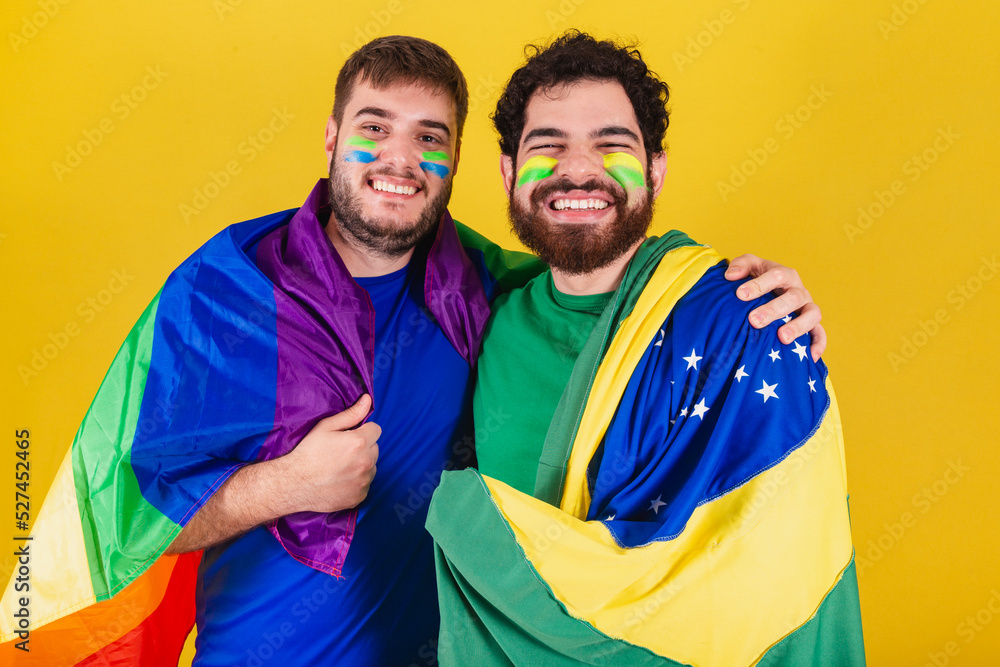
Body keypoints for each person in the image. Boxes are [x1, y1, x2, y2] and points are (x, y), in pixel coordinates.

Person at [0, 36, 825, 667]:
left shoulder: (481, 287)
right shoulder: (226, 295)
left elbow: (598, 276)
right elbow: (117, 517)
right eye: (374, 128)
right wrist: (286, 483)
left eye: (430, 137)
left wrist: (752, 294)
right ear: (329, 138)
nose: (400, 159)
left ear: (463, 164)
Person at [427, 31, 865, 666]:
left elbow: (774, 568)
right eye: (548, 145)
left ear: (656, 169)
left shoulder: (744, 324)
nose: (578, 170)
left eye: (612, 145)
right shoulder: (484, 307)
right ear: (509, 171)